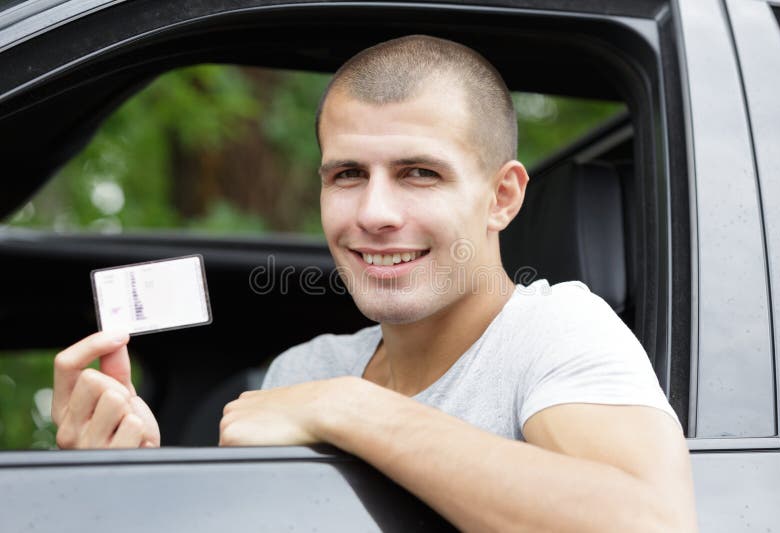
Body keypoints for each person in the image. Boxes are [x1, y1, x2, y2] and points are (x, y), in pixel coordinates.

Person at [51, 35, 698, 532]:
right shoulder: (305, 370)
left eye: (419, 173)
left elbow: (652, 522)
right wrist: (126, 483)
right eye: (348, 175)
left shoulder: (554, 331)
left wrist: (351, 409)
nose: (374, 213)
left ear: (502, 196)